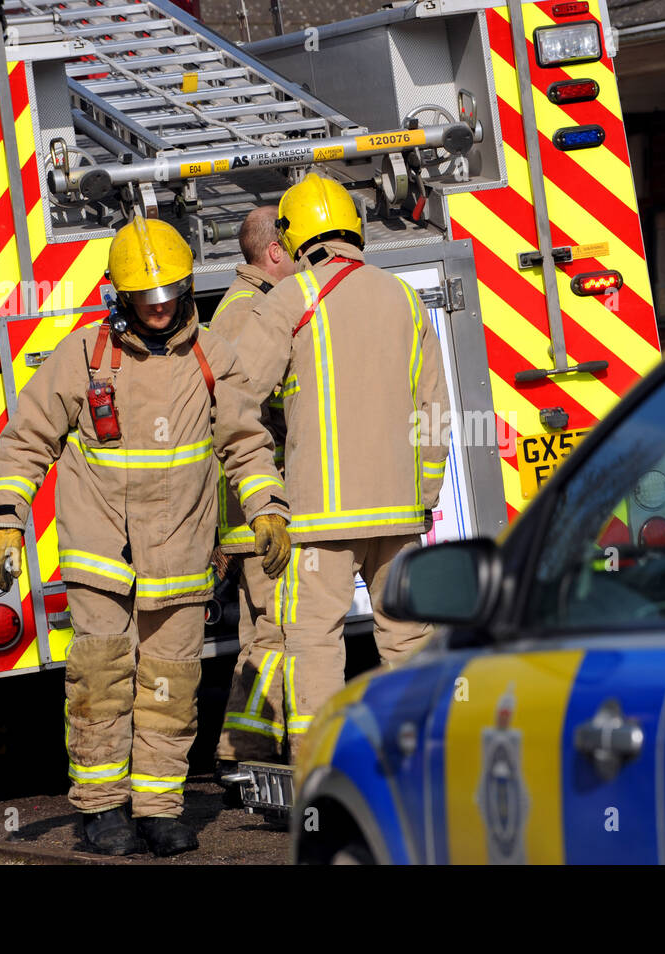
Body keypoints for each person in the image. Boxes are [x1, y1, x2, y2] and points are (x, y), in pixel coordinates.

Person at [0, 215, 291, 856]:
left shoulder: (212, 360)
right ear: (120, 297)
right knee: (99, 680)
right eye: (146, 300)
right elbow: (26, 440)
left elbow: (246, 444)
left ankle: (158, 809)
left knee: (169, 685)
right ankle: (101, 810)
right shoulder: (84, 356)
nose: (160, 309)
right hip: (101, 555)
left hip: (178, 555)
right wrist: (6, 517)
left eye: (170, 296)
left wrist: (266, 507)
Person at [236, 172, 450, 762]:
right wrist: (425, 492)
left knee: (314, 642)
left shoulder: (292, 297)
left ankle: (320, 769)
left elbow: (239, 397)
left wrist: (263, 497)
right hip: (400, 513)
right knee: (407, 637)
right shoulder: (405, 298)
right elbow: (435, 411)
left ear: (294, 235)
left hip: (319, 520)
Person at [209, 206, 297, 773]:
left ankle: (244, 748)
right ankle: (255, 752)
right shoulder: (255, 312)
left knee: (263, 633)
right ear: (273, 253)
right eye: (295, 249)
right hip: (258, 507)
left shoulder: (236, 307)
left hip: (247, 509)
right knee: (280, 631)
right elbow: (241, 415)